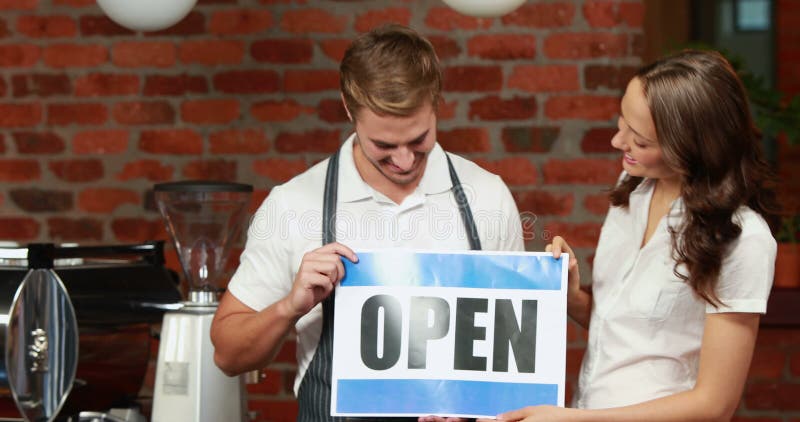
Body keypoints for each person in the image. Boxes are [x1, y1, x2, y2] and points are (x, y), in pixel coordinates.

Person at [210, 24, 524, 422]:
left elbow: (514, 357)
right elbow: (227, 355)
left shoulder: (488, 197)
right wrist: (290, 306)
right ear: (348, 108)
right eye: (385, 145)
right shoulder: (291, 206)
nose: (405, 161)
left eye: (419, 139)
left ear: (437, 103)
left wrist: (474, 412)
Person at [477, 50, 780, 422]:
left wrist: (572, 419)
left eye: (639, 141)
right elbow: (623, 332)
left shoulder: (744, 240)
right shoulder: (633, 188)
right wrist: (570, 296)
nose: (618, 142)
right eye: (622, 123)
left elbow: (714, 405)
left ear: (692, 149)